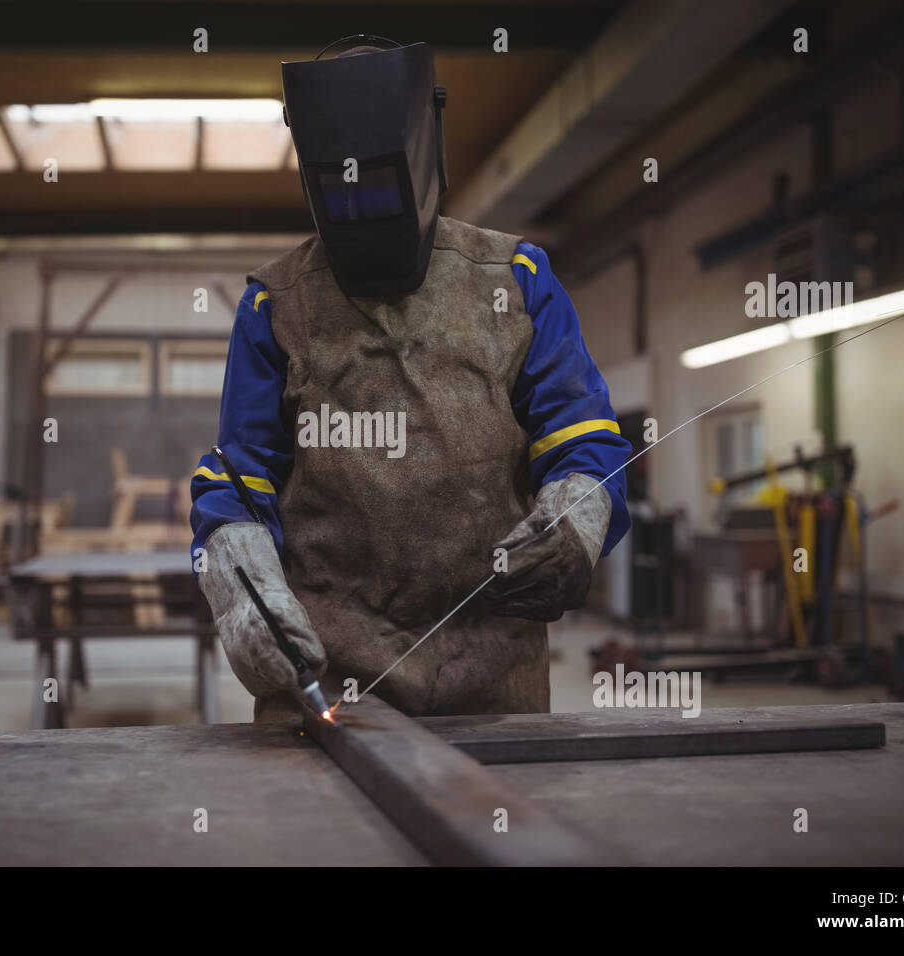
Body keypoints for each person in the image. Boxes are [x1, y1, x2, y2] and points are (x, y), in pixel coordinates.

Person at [190, 37, 631, 721]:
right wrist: (242, 596)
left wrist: (575, 527)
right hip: (325, 694)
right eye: (340, 194)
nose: (363, 213)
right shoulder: (274, 308)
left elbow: (585, 442)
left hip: (494, 689)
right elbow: (239, 484)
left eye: (382, 189)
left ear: (428, 156)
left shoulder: (515, 283)